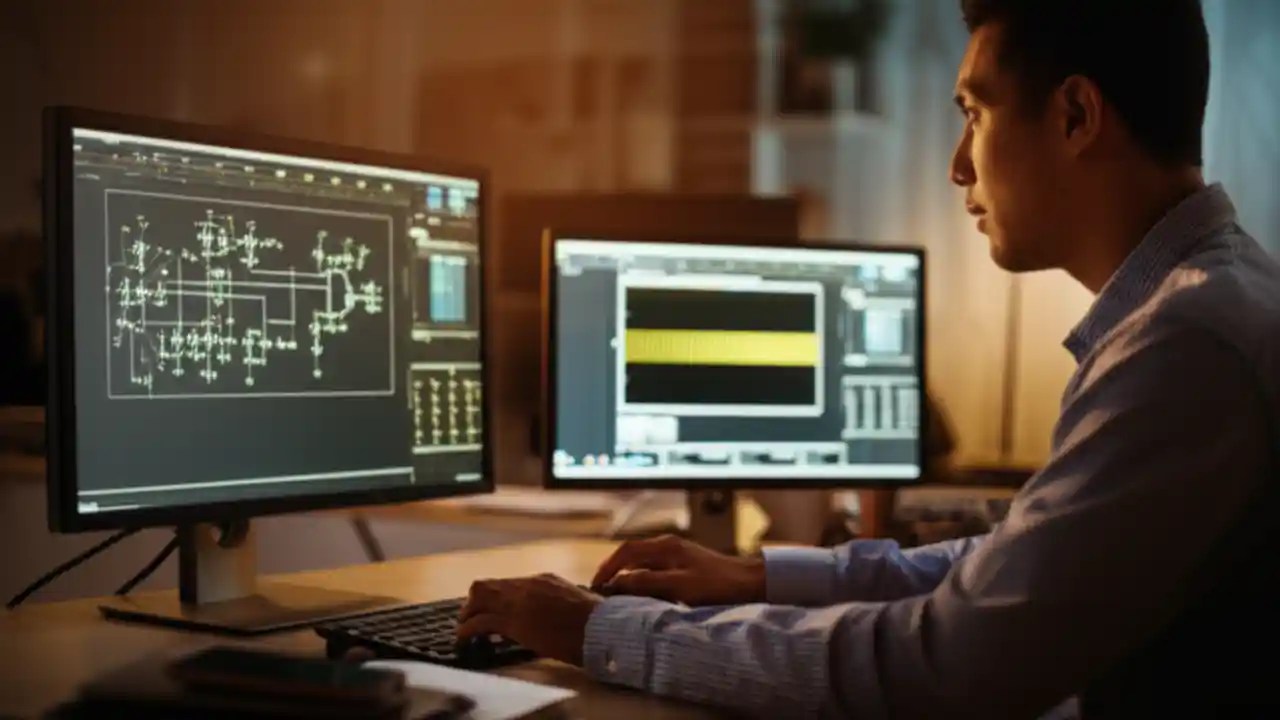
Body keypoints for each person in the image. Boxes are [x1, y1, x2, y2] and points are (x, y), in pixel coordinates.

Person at [456, 0, 1280, 716]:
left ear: (1075, 116)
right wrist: (763, 578)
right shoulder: (1208, 301)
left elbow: (943, 667)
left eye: (973, 113)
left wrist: (599, 628)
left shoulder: (1185, 344)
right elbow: (1005, 572)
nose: (959, 164)